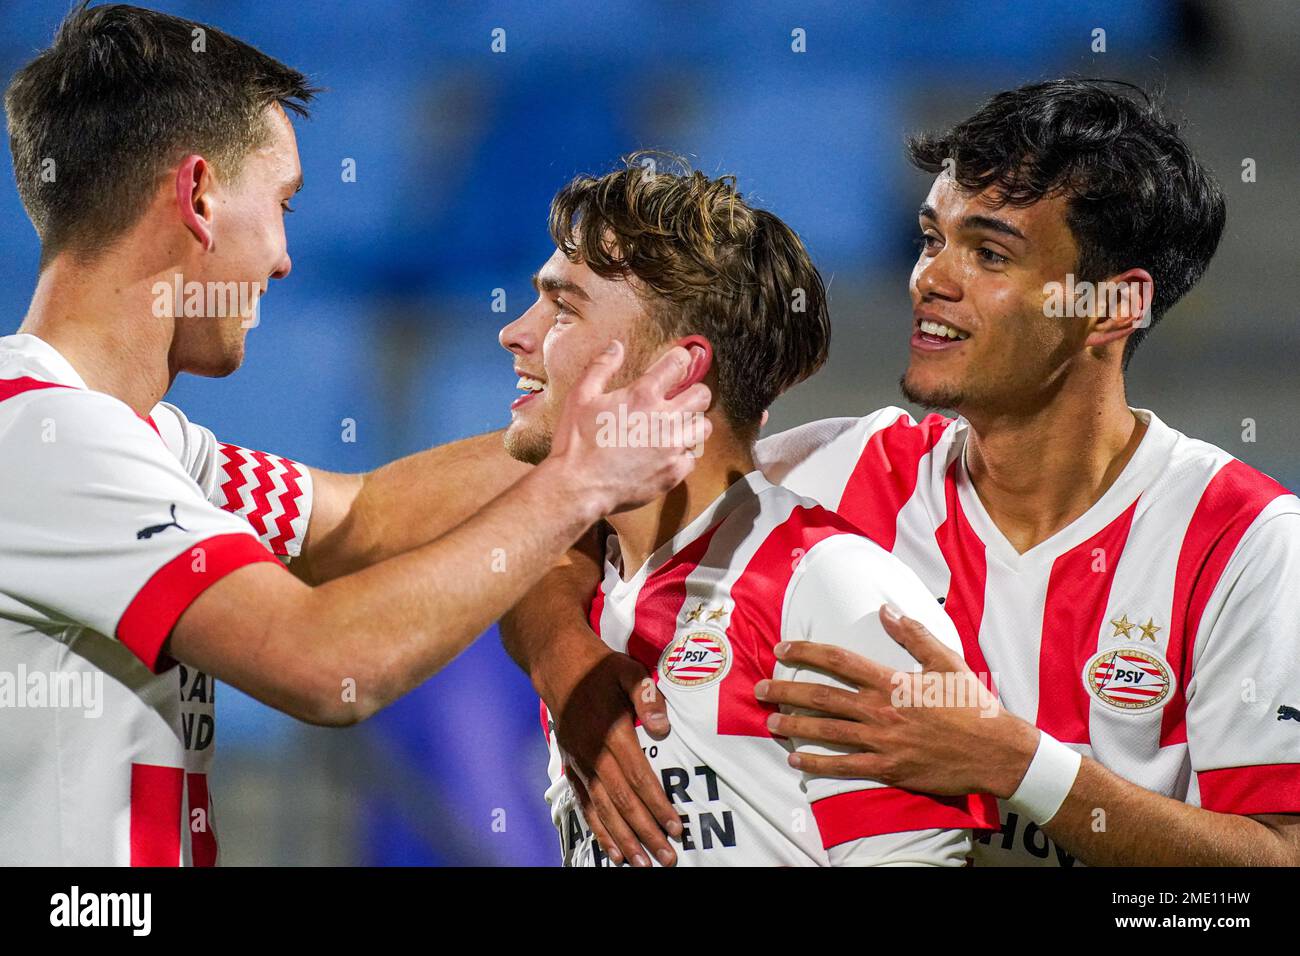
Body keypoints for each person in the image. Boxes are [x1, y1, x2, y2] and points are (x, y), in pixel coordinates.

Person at [503, 79, 1300, 867]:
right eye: (930, 239)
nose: (931, 280)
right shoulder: (828, 472)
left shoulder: (1244, 544)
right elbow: (553, 512)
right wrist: (562, 655)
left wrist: (1019, 768)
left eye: (989, 253)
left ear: (1112, 305)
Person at [0, 2, 708, 865]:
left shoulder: (138, 443)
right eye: (283, 202)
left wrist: (585, 427)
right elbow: (325, 664)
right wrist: (578, 485)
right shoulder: (41, 440)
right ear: (197, 196)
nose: (285, 257)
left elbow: (360, 518)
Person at [499, 155, 994, 865]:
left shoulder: (831, 588)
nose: (514, 332)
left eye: (563, 307)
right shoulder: (578, 601)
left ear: (680, 366)